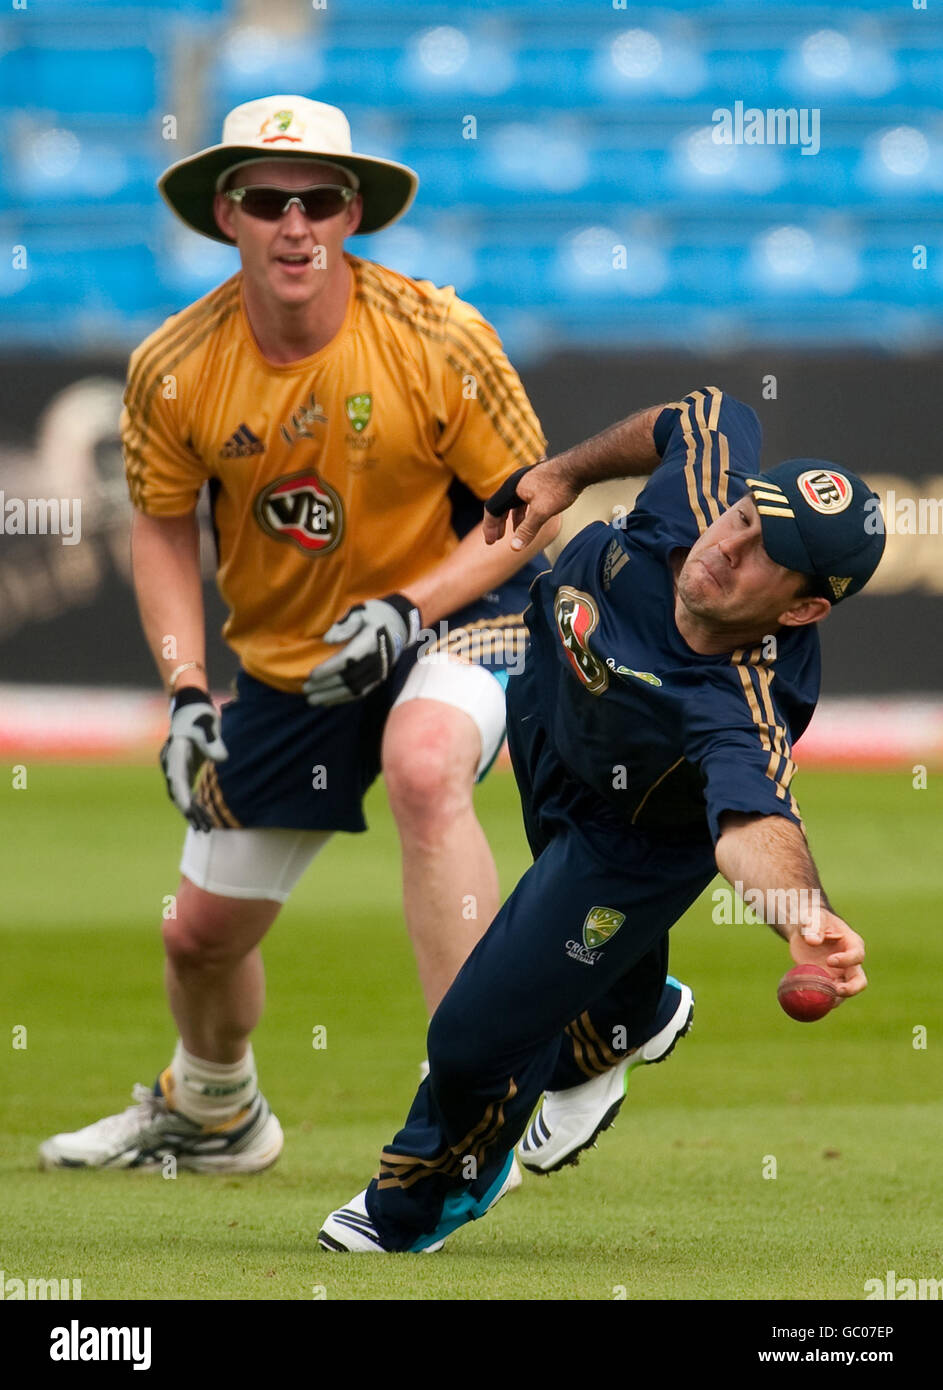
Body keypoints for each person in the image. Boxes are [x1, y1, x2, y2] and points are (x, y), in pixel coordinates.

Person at [38, 94, 561, 1173]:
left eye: (318, 199)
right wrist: (187, 689)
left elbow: (530, 507)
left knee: (424, 766)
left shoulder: (438, 336)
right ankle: (216, 1110)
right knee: (197, 937)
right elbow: (162, 531)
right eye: (267, 200)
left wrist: (410, 608)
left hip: (453, 611)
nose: (295, 224)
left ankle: (473, 1099)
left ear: (352, 213)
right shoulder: (173, 366)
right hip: (296, 666)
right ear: (225, 213)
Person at [317, 385, 885, 1252]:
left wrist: (802, 919)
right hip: (550, 730)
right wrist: (561, 474)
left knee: (471, 1040)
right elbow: (704, 412)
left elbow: (752, 822)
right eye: (743, 513)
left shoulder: (738, 702)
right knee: (588, 975)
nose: (725, 544)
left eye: (767, 552)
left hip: (630, 842)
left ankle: (427, 1200)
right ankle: (635, 1018)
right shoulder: (695, 499)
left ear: (802, 607)